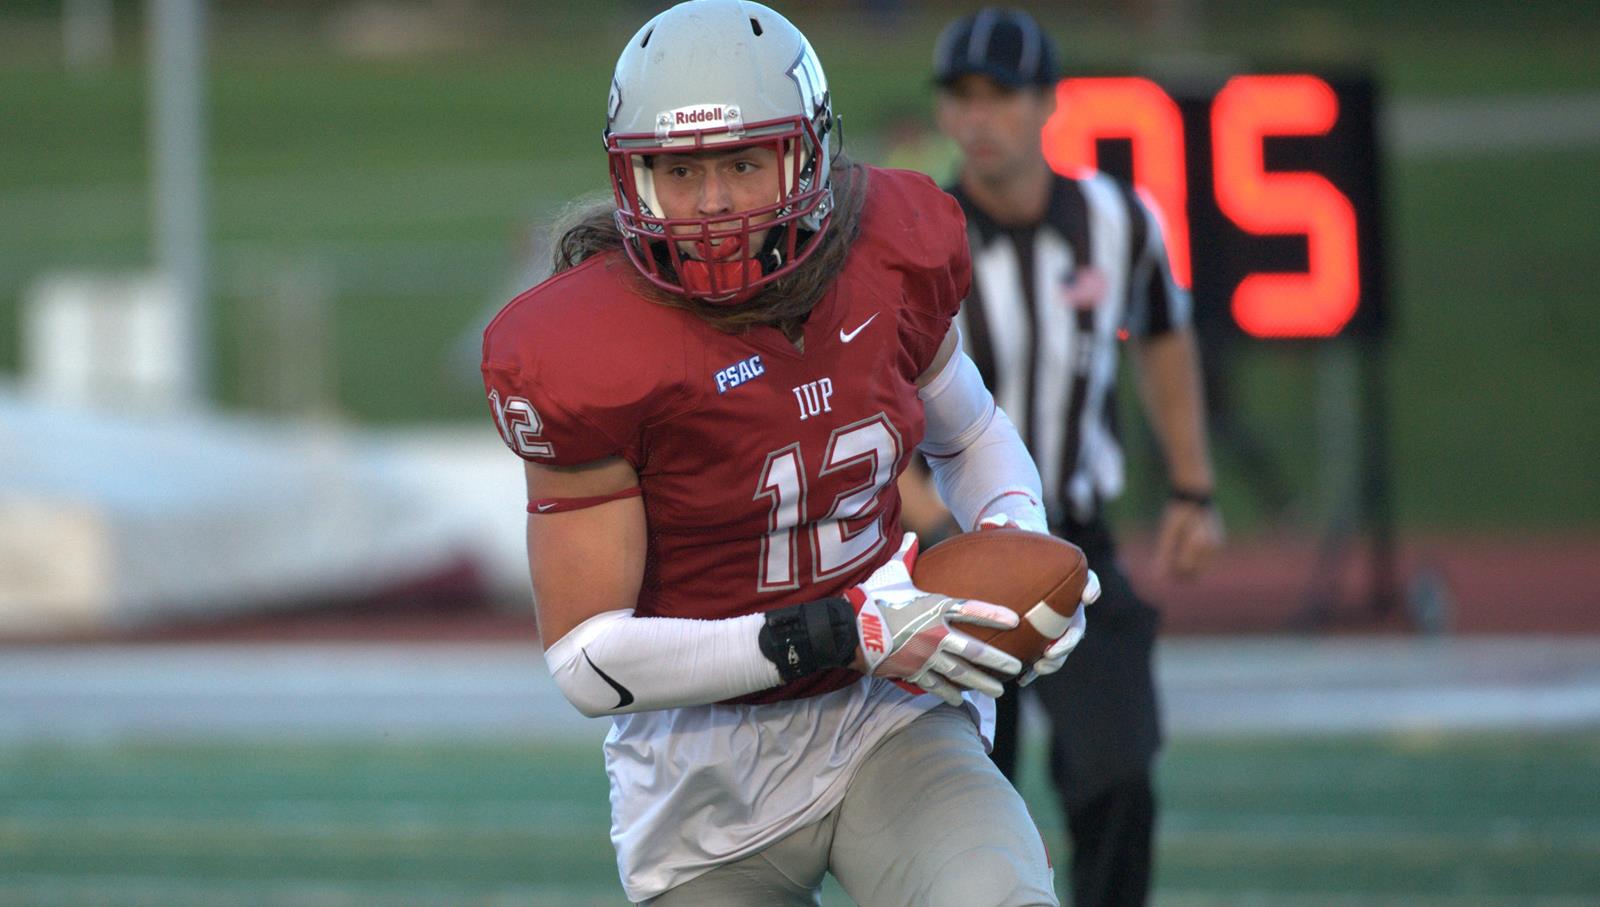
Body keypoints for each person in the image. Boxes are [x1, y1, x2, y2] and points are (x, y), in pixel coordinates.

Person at [479, 2, 1100, 904]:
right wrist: (843, 629)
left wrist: (1019, 538)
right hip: (703, 778)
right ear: (633, 179)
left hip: (888, 717)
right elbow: (588, 659)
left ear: (806, 155)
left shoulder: (886, 250)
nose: (716, 200)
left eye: (742, 161)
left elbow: (968, 433)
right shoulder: (589, 352)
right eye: (681, 171)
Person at [909, 8, 1227, 907]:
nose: (979, 119)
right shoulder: (920, 235)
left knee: (1120, 774)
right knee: (955, 805)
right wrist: (918, 507)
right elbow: (875, 383)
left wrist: (1192, 488)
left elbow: (1164, 337)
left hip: (1075, 542)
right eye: (962, 97)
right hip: (950, 549)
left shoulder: (1117, 219)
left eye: (1000, 97)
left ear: (1048, 103)